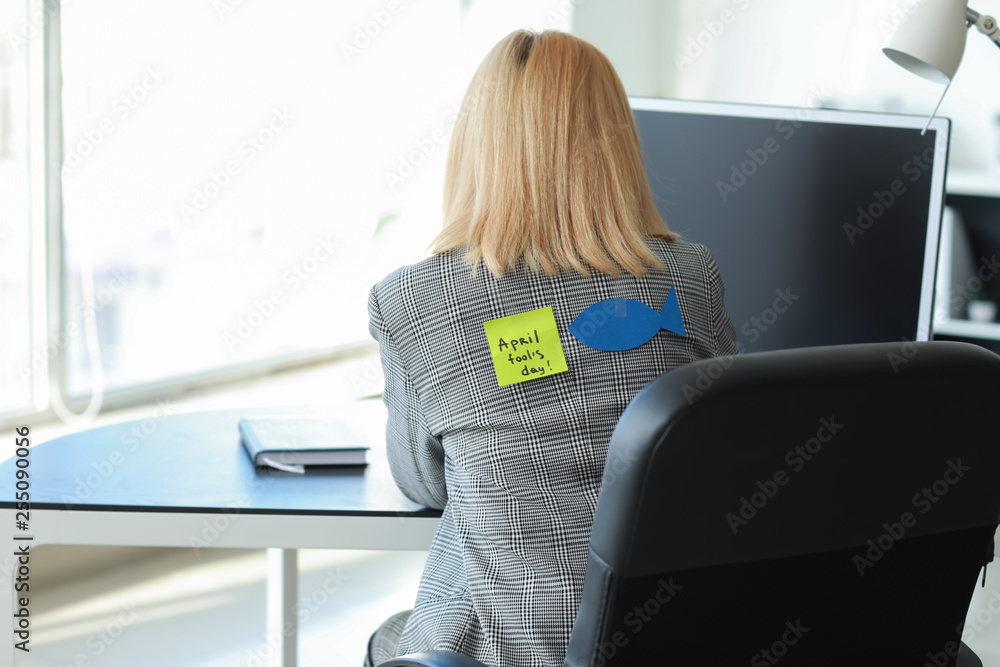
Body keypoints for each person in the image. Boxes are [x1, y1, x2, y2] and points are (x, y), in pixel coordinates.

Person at [365, 29, 739, 667]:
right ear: (617, 143)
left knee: (395, 635)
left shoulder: (413, 301)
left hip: (517, 649)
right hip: (679, 634)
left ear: (474, 146)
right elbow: (724, 445)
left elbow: (425, 483)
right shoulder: (689, 275)